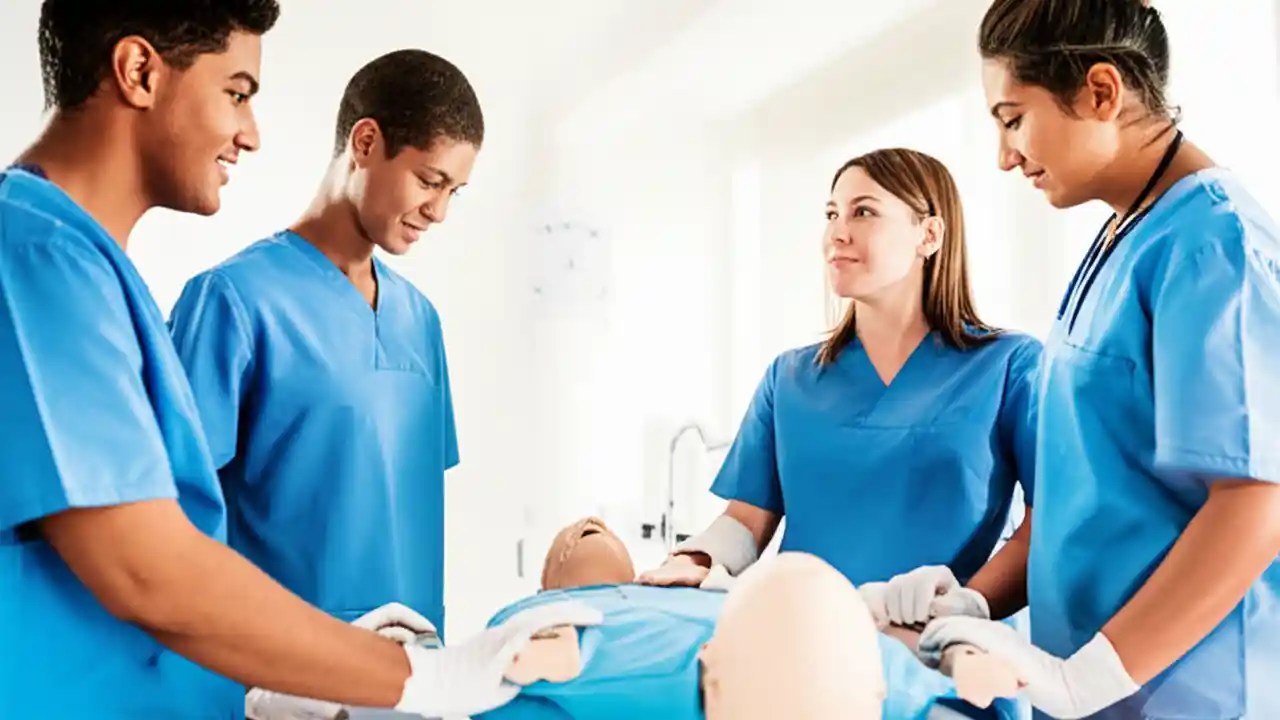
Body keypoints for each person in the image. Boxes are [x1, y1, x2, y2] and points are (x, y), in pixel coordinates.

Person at [0, 4, 585, 717]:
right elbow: (149, 568)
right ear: (139, 71)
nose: (252, 133)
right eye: (237, 93)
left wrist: (394, 667)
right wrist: (417, 678)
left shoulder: (96, 277)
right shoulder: (40, 256)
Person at [884, 2, 1280, 718]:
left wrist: (1085, 681)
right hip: (1094, 686)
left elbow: (1257, 503)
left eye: (1012, 118)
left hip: (1192, 693)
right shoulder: (1117, 243)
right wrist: (977, 598)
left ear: (1101, 91)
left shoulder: (1215, 246)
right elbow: (1077, 491)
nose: (1004, 155)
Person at [640, 148, 1040, 625]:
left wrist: (970, 607)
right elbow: (747, 521)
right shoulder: (789, 379)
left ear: (928, 234)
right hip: (808, 650)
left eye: (863, 212)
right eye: (831, 214)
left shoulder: (1010, 367)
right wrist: (696, 560)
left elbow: (1047, 525)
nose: (837, 232)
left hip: (947, 660)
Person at [168, 48, 480, 637]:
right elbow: (172, 527)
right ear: (366, 143)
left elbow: (408, 510)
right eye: (429, 180)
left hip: (412, 666)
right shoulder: (233, 301)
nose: (437, 211)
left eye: (454, 192)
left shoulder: (421, 320)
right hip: (276, 671)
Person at [249, 518, 1020, 720]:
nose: (590, 526)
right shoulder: (560, 614)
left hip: (811, 651)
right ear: (545, 579)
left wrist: (944, 627)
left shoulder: (690, 593)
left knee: (896, 648)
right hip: (667, 668)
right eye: (575, 535)